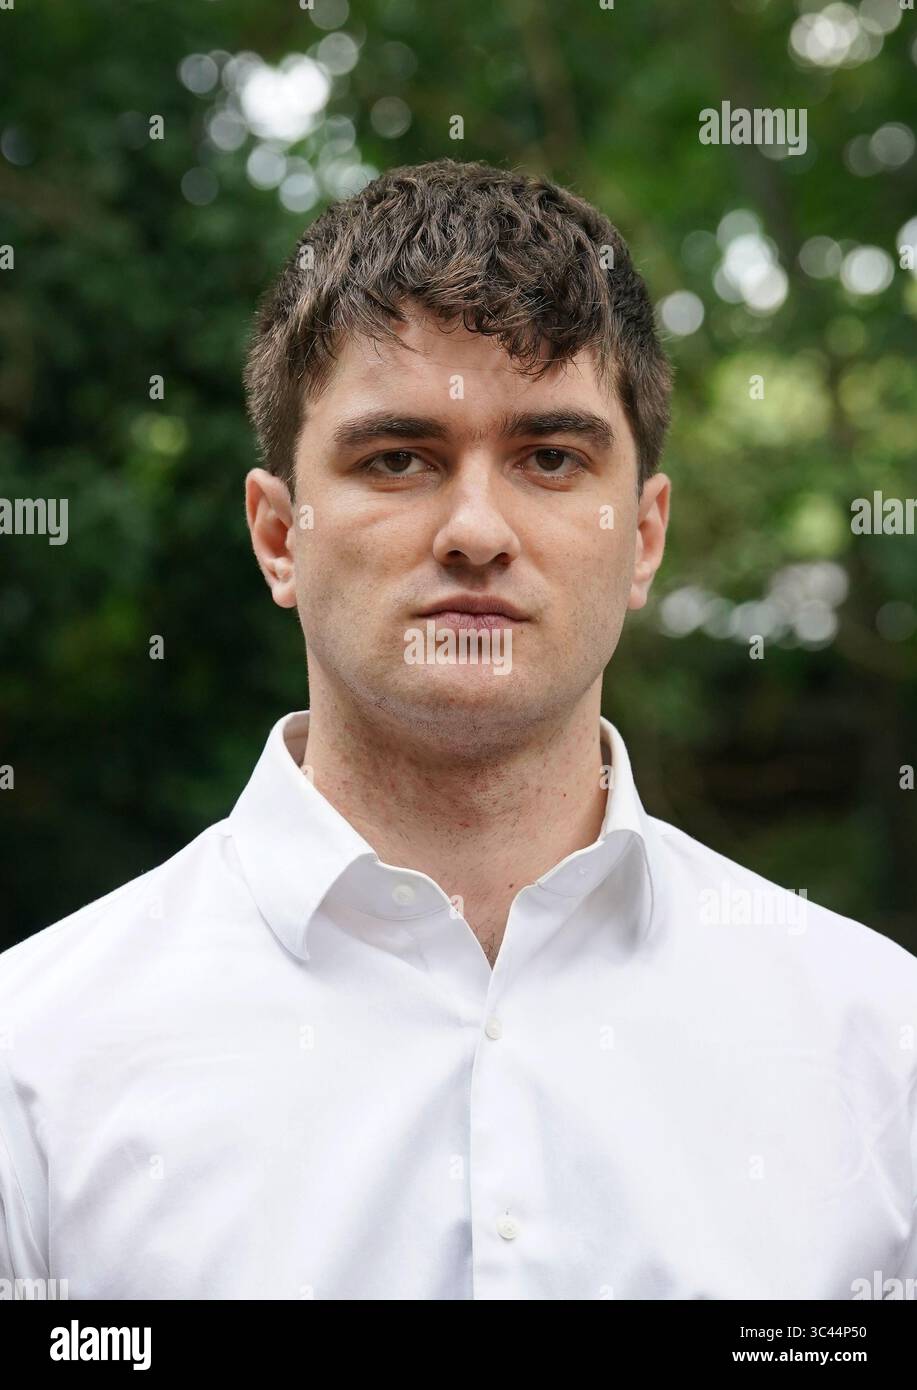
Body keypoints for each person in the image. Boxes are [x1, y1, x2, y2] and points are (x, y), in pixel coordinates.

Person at [1, 160, 915, 1301]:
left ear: (642, 537)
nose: (476, 530)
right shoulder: (33, 1063)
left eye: (548, 457)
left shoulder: (878, 1047)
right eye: (398, 458)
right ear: (278, 535)